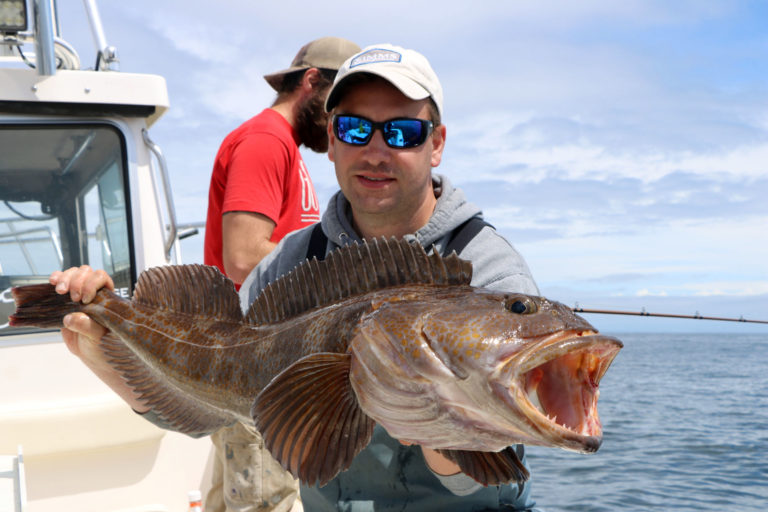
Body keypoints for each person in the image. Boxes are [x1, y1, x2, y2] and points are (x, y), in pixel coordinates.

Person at [49, 43, 541, 511]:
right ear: (330, 141)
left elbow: (497, 467)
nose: (375, 150)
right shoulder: (291, 263)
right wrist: (101, 348)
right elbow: (214, 405)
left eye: (401, 133)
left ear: (436, 144)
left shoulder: (491, 274)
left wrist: (441, 429)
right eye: (353, 129)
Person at [203, 36, 360, 512]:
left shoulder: (280, 145)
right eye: (337, 105)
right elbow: (245, 257)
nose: (339, 124)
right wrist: (347, 280)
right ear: (311, 82)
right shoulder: (266, 142)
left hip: (261, 364)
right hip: (260, 365)